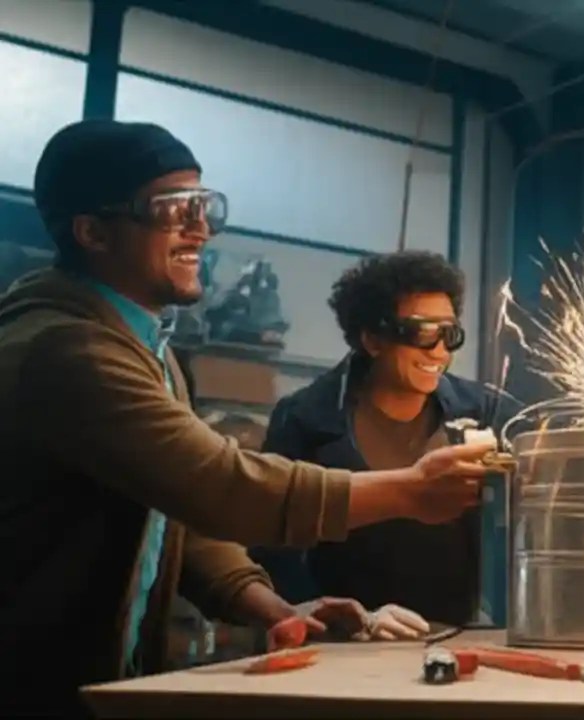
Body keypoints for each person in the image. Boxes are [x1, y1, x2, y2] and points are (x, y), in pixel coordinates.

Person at [0, 120, 491, 717]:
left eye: (203, 205)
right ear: (93, 232)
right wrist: (410, 491)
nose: (199, 227)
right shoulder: (66, 352)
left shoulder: (152, 354)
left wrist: (273, 607)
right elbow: (221, 488)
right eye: (172, 208)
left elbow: (179, 511)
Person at [250, 251, 521, 627]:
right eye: (421, 333)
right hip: (346, 642)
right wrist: (335, 620)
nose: (439, 351)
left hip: (458, 637)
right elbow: (272, 549)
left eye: (450, 334)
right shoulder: (306, 419)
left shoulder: (486, 412)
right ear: (373, 339)